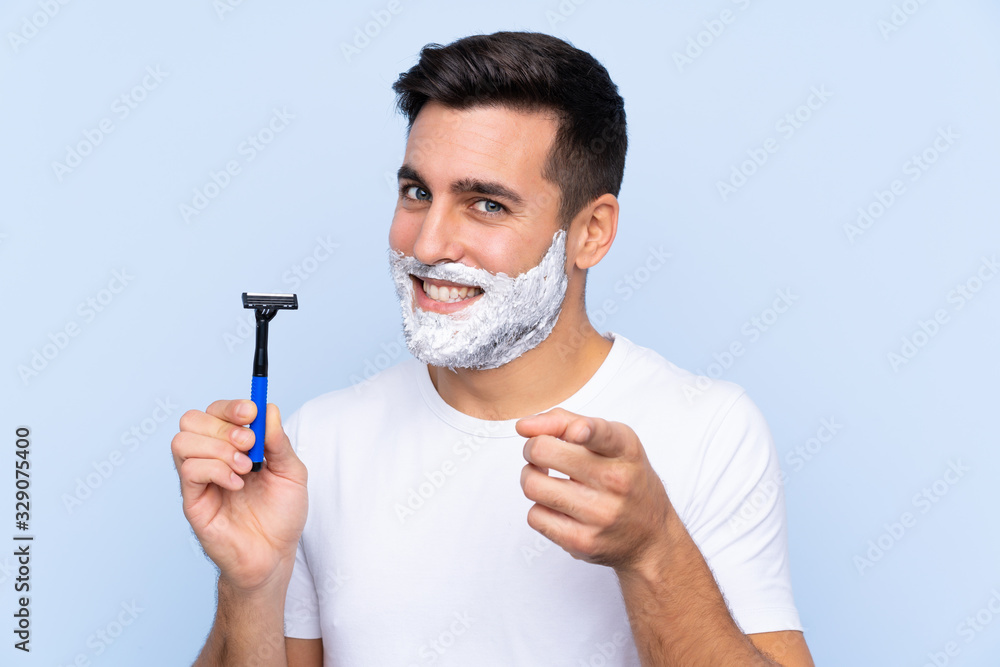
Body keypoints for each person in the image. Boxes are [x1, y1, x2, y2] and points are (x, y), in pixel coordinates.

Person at [172, 31, 815, 666]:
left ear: (591, 232)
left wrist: (653, 549)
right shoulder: (316, 445)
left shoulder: (708, 430)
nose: (427, 246)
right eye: (417, 192)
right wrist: (250, 585)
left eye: (486, 204)